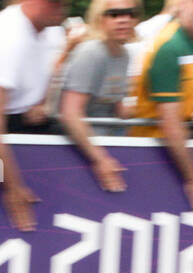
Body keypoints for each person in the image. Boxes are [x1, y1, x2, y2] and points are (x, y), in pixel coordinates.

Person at [0, 0, 66, 229]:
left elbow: (46, 73)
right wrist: (10, 188)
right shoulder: (7, 37)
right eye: (55, 3)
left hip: (19, 119)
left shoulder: (51, 30)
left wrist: (41, 102)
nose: (63, 6)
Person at [130, 0, 193, 214]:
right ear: (180, 3)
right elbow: (170, 126)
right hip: (151, 152)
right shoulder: (168, 47)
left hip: (189, 145)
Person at [58, 0, 138, 192]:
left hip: (105, 143)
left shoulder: (124, 54)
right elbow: (70, 113)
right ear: (99, 19)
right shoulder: (91, 52)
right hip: (79, 150)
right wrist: (100, 159)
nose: (124, 20)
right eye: (114, 14)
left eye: (130, 14)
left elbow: (118, 107)